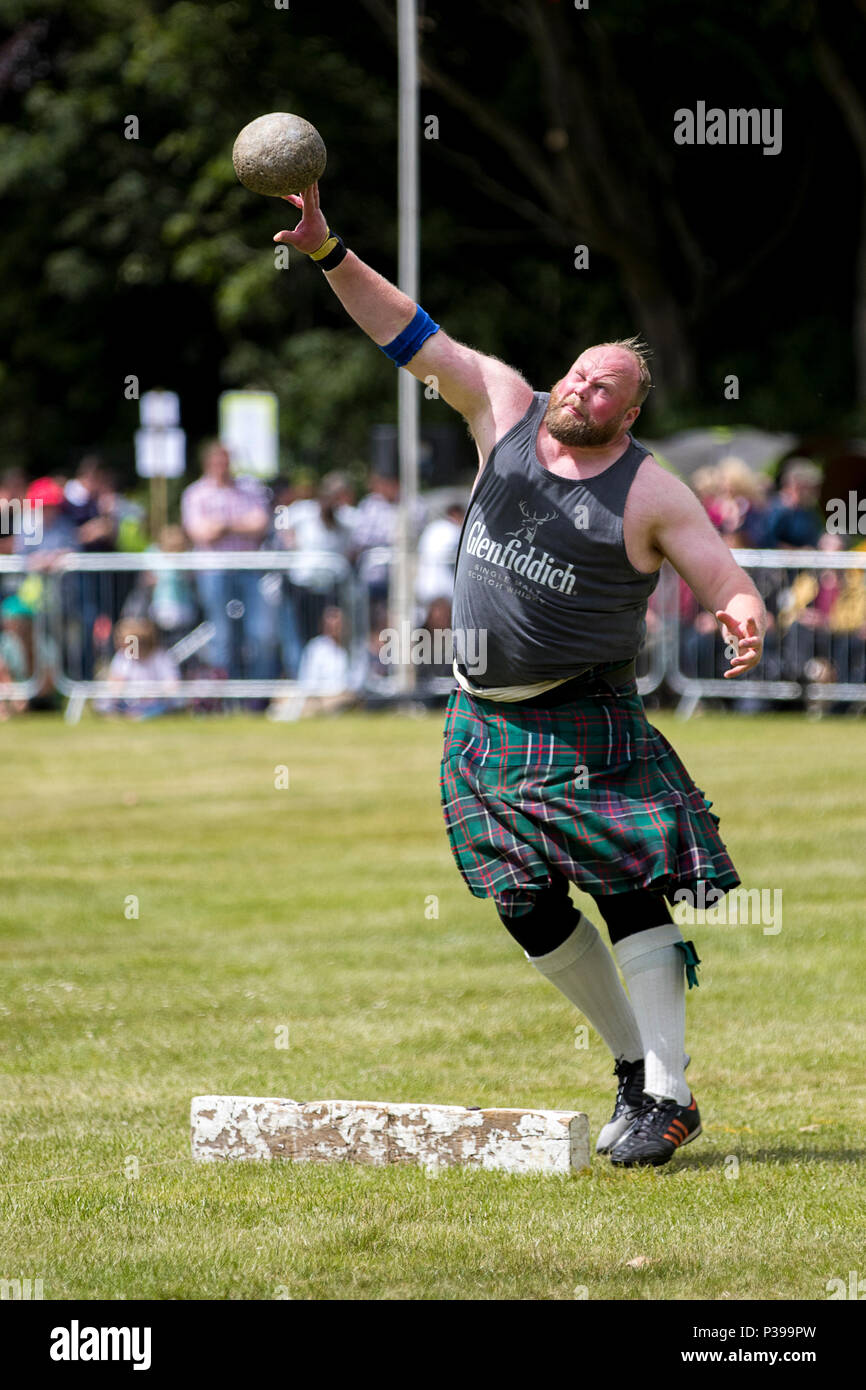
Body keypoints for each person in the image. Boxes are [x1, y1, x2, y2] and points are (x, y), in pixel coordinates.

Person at [274, 183, 767, 1169]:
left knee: (625, 884)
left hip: (582, 713)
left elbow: (724, 577)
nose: (581, 392)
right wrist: (328, 249)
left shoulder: (651, 490)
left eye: (603, 390)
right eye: (578, 375)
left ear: (630, 413)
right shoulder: (499, 406)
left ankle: (668, 1093)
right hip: (480, 719)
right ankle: (630, 1065)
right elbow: (406, 332)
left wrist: (742, 615)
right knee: (521, 902)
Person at [180, 441, 273, 681]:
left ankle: (256, 695)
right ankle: (225, 695)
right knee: (222, 634)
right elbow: (201, 533)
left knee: (260, 632)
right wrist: (239, 525)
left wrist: (224, 525)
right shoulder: (196, 493)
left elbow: (260, 524)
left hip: (249, 570)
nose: (222, 466)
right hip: (213, 572)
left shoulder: (250, 489)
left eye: (226, 461)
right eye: (217, 461)